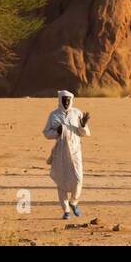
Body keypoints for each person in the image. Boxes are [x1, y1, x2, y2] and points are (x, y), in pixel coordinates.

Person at [43, 90, 90, 219]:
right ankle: (66, 211)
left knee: (78, 179)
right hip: (60, 152)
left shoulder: (77, 113)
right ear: (59, 100)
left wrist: (83, 125)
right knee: (61, 181)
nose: (66, 102)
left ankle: (74, 202)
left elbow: (84, 134)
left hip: (75, 151)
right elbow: (46, 133)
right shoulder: (53, 115)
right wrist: (57, 132)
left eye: (68, 100)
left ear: (72, 100)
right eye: (64, 100)